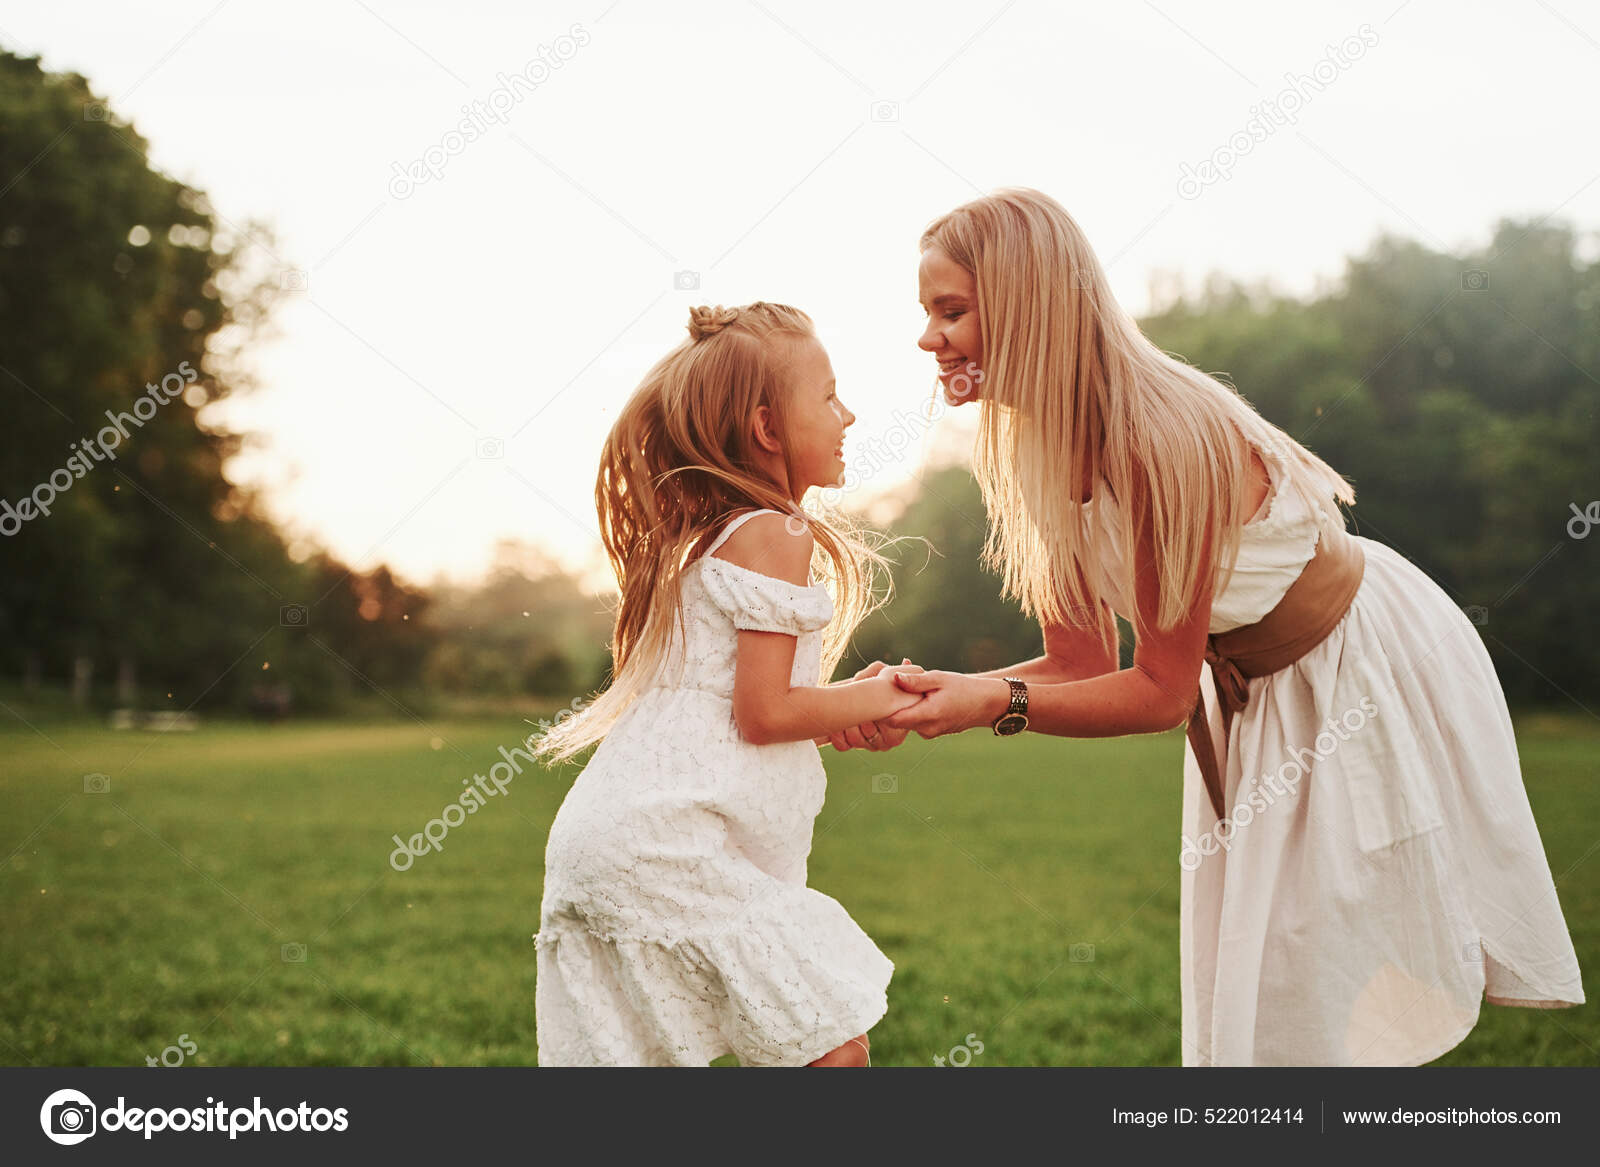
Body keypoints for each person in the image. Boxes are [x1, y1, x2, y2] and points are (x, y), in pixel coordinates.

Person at [836, 187, 1584, 1065]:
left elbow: (1160, 693)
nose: (928, 339)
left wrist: (990, 702)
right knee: (1269, 1003)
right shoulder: (1035, 448)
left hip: (1354, 663)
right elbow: (1082, 661)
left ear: (1027, 305)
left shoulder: (1157, 439)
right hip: (1253, 690)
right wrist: (940, 691)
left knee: (1317, 990)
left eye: (951, 311)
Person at [530, 302, 924, 1066]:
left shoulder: (713, 539)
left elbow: (732, 714)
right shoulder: (776, 531)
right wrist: (889, 695)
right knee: (831, 1048)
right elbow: (764, 711)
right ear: (768, 428)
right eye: (829, 396)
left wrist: (849, 702)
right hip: (663, 848)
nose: (848, 415)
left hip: (612, 841)